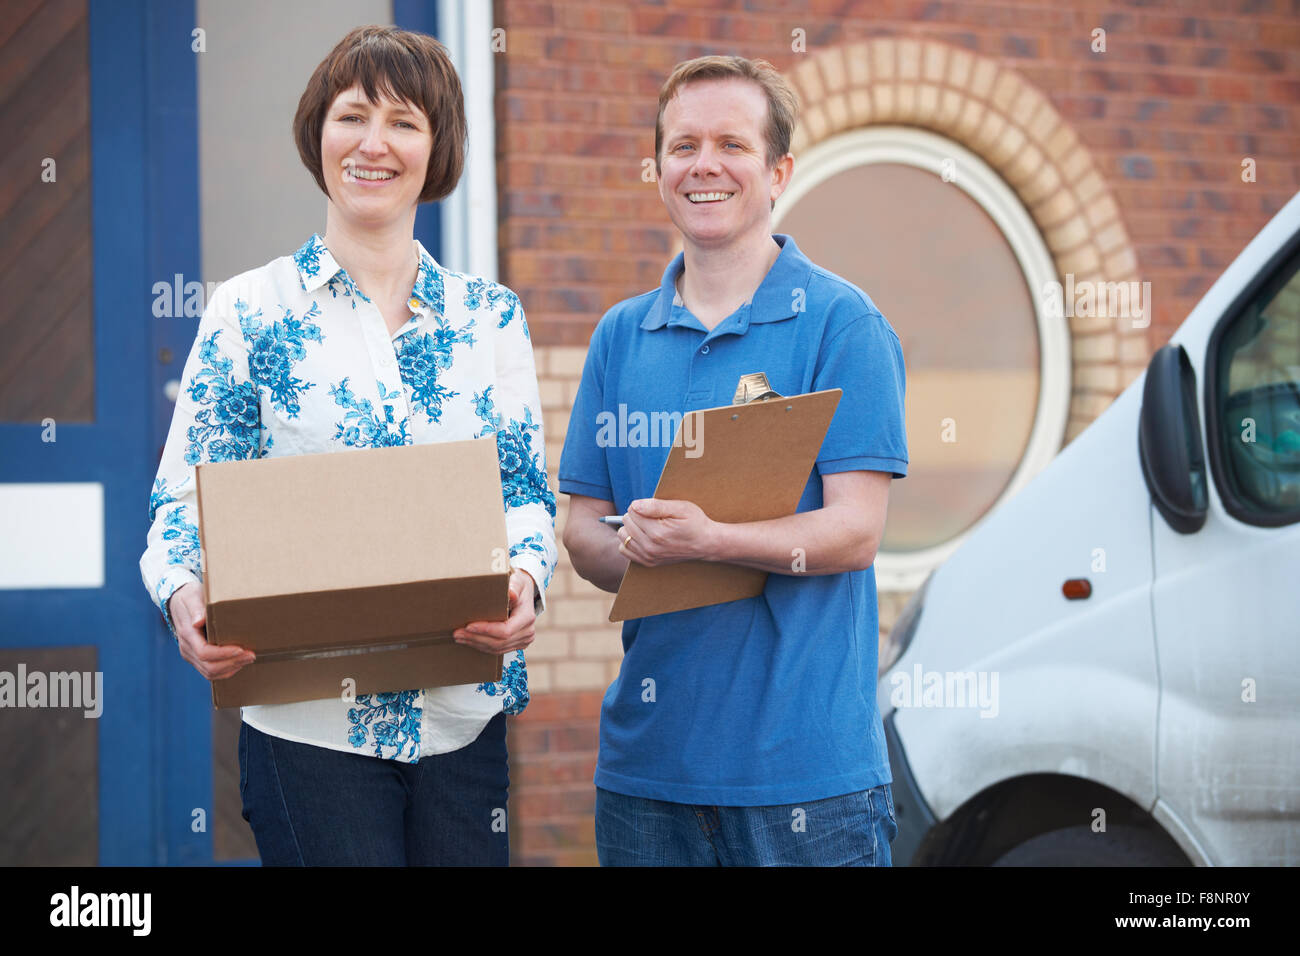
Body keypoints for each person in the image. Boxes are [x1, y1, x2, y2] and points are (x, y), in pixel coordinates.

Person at [138, 25, 556, 866]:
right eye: (352, 115)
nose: (374, 143)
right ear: (317, 135)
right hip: (308, 726)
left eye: (404, 121)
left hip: (461, 720)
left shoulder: (490, 316)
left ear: (436, 149)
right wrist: (184, 596)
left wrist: (527, 576)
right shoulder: (249, 313)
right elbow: (184, 500)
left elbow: (524, 495)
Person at [558, 55, 908, 866]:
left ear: (778, 170)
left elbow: (856, 531)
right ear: (659, 170)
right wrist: (642, 549)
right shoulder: (620, 335)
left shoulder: (841, 324)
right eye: (682, 146)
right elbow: (580, 531)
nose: (703, 165)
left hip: (808, 783)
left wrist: (710, 541)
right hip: (650, 777)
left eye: (730, 144)